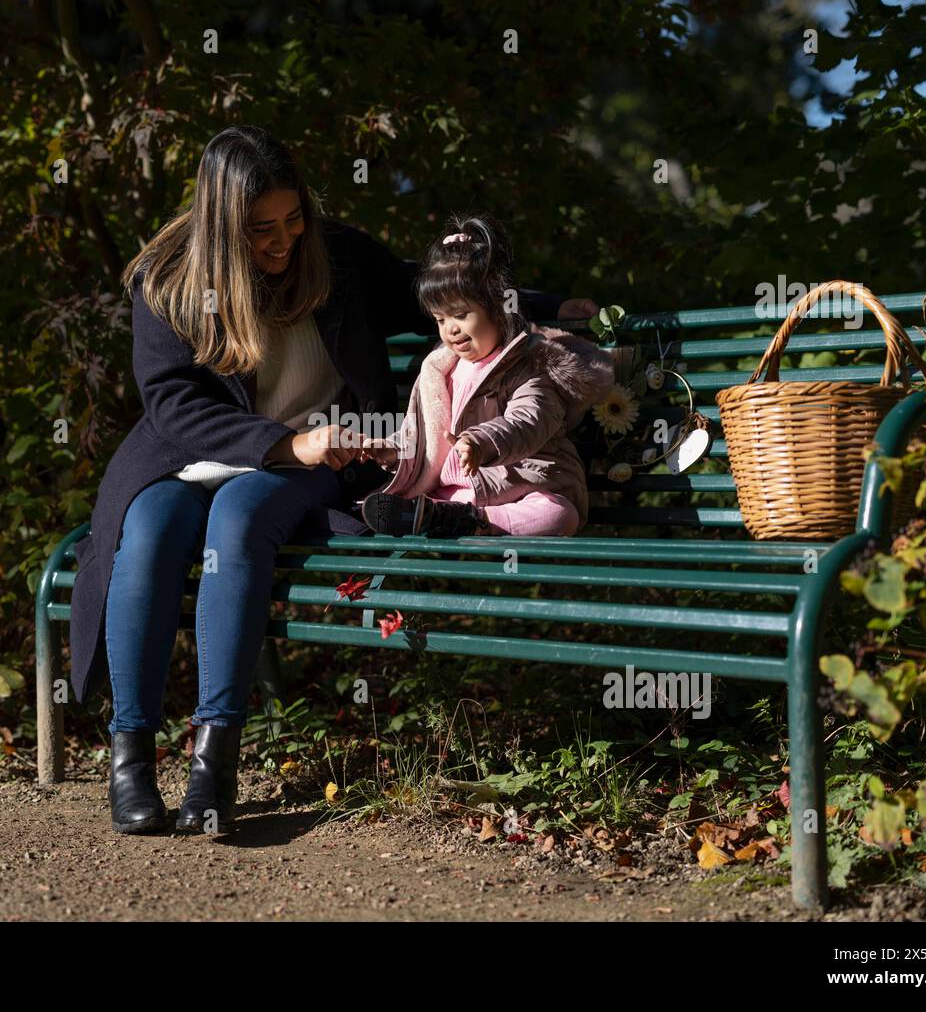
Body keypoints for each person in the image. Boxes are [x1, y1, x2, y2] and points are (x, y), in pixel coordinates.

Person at [68, 126, 596, 835]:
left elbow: (434, 292)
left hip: (322, 459)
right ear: (223, 226)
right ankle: (130, 757)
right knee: (148, 529)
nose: (283, 241)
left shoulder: (337, 257)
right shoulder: (168, 279)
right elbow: (173, 403)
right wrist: (282, 439)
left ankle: (212, 760)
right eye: (261, 230)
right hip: (189, 453)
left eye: (293, 220)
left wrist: (547, 304)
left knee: (239, 519)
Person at [360, 214, 613, 538]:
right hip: (458, 491)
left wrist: (482, 442)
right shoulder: (440, 370)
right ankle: (443, 516)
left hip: (521, 482)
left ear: (498, 308)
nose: (450, 329)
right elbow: (420, 433)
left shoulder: (527, 365)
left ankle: (464, 520)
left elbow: (529, 420)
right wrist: (394, 450)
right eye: (440, 319)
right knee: (436, 501)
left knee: (560, 514)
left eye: (461, 315)